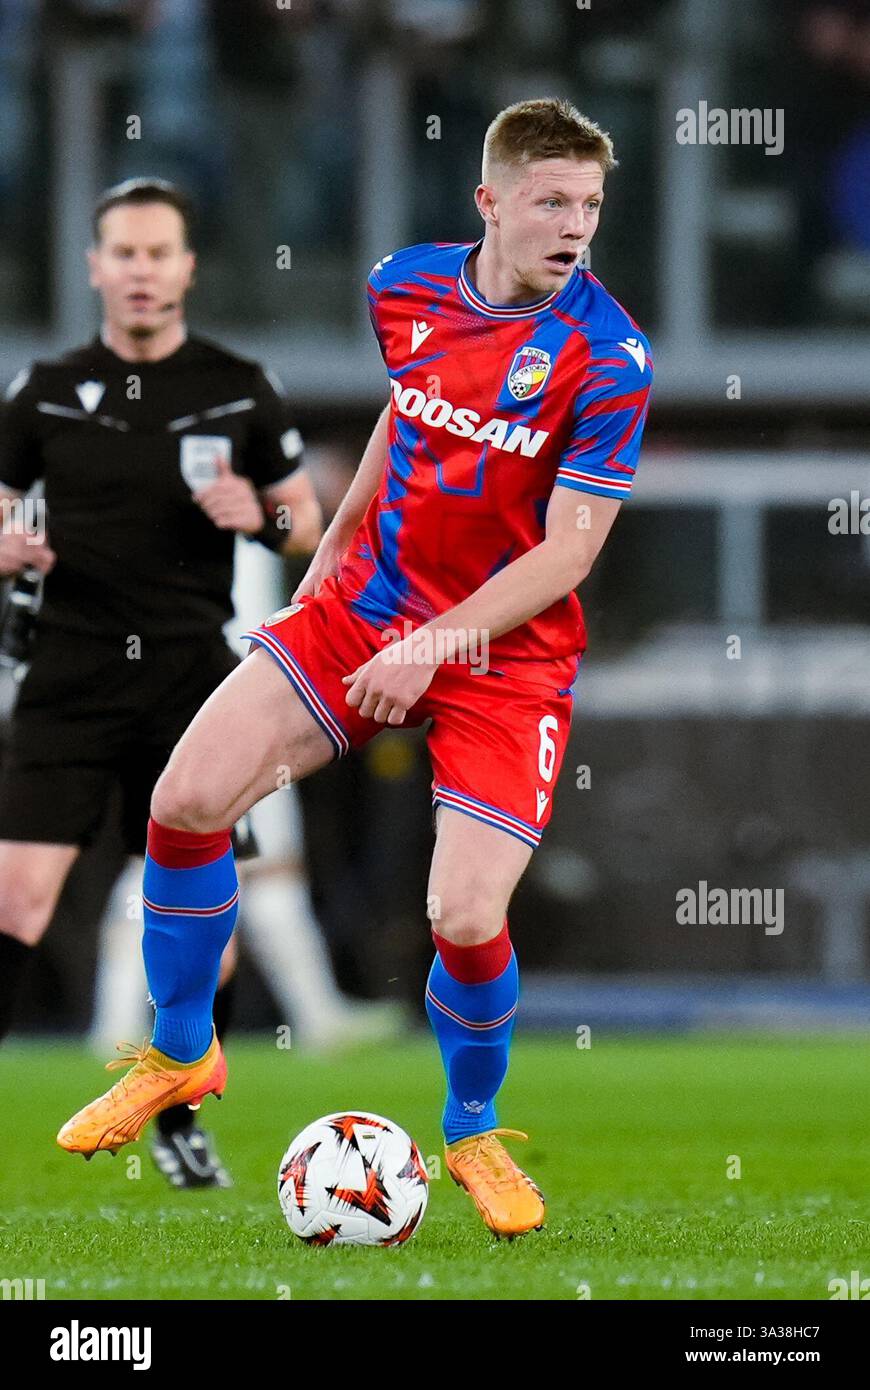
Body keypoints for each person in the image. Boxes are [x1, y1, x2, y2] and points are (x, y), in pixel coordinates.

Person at [57, 100, 654, 1238]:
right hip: (366, 610)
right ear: (490, 203)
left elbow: (569, 552)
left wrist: (431, 645)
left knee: (463, 915)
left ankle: (472, 1131)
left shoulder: (609, 354)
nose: (574, 225)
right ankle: (182, 1056)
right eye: (550, 203)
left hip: (502, 657)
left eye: (589, 205)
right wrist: (335, 546)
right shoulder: (405, 285)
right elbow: (409, 412)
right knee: (182, 803)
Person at [0, 177, 324, 1186]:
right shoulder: (42, 387)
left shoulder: (236, 385)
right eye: (124, 254)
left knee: (203, 923)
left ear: (187, 266)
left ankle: (182, 1114)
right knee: (16, 900)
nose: (142, 271)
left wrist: (253, 513)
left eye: (159, 253)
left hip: (194, 681)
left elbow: (305, 523)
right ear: (96, 267)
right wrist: (10, 543)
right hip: (66, 673)